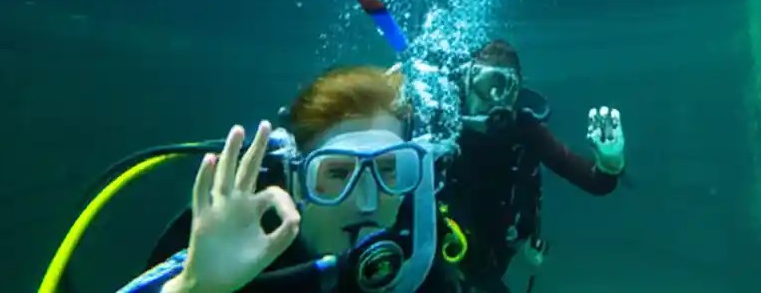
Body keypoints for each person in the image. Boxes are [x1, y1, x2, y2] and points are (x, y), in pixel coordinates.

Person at [117, 65, 465, 293]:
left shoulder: (422, 255)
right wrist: (193, 287)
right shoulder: (231, 244)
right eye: (338, 173)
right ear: (295, 179)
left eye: (390, 170)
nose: (368, 200)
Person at [439, 40, 626, 293]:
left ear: (517, 93)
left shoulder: (527, 132)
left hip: (497, 254)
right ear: (466, 84)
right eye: (486, 84)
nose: (495, 98)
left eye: (505, 87)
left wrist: (610, 163)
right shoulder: (442, 132)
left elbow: (596, 182)